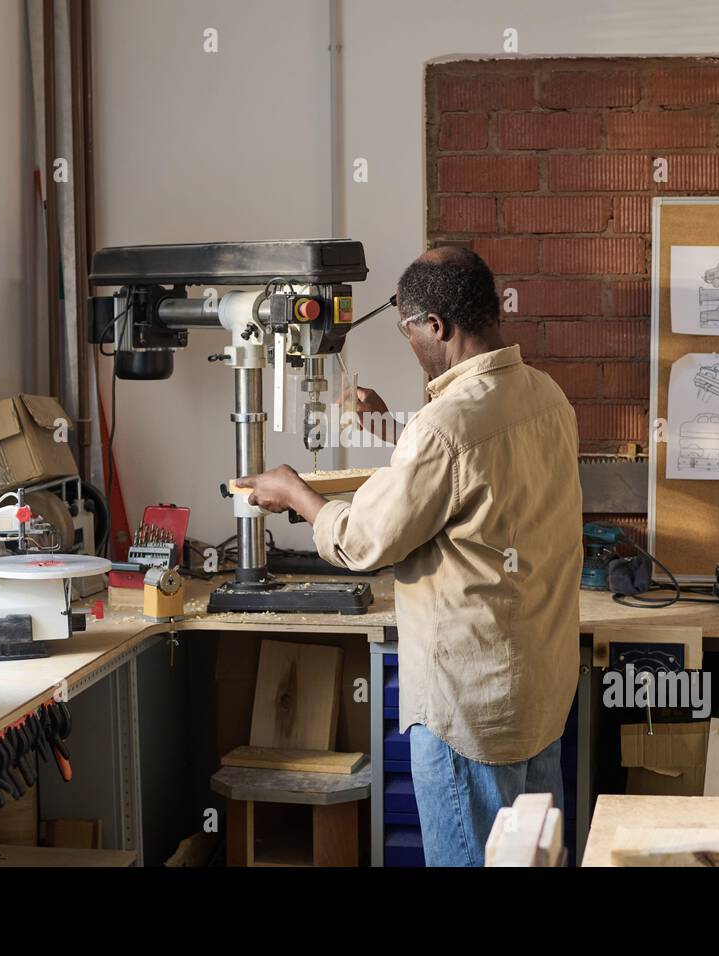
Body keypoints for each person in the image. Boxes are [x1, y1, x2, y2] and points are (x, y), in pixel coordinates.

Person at [233, 246, 582, 866]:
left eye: (408, 329)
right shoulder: (547, 396)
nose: (409, 342)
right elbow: (477, 469)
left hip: (469, 709)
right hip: (539, 693)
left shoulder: (444, 428)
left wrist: (294, 493)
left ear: (438, 327)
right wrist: (393, 431)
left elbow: (363, 541)